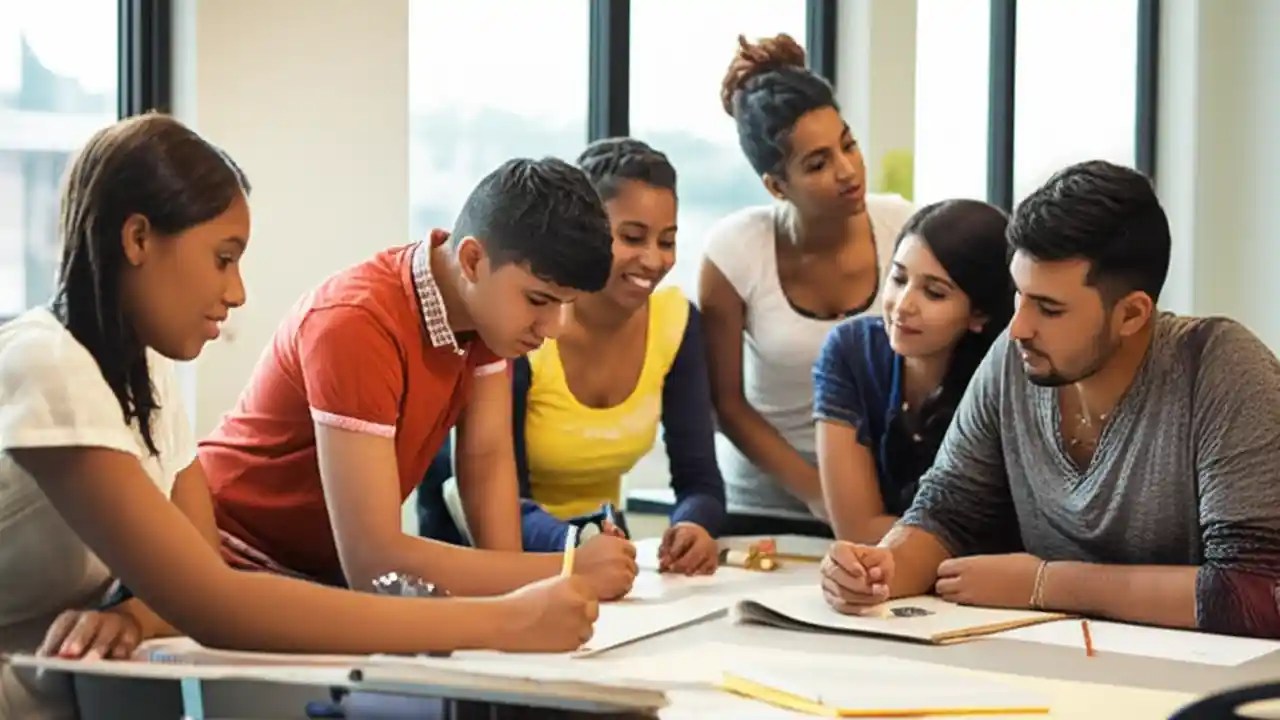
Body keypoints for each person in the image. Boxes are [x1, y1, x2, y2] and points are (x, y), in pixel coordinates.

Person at [0, 114, 598, 719]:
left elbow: (197, 574)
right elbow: (217, 599)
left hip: (69, 670)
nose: (237, 293)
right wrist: (507, 617)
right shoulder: (47, 365)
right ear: (138, 240)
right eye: (223, 259)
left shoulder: (143, 370)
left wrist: (138, 609)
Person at [819, 160, 1280, 638]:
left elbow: (1255, 592)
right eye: (1019, 295)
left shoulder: (1221, 368)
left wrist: (1046, 582)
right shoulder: (1015, 358)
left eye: (1049, 308)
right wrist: (880, 570)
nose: (1018, 327)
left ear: (1131, 314)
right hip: (1055, 663)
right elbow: (946, 513)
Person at [197, 157, 638, 599]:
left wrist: (528, 604)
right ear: (471, 260)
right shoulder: (356, 323)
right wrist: (566, 571)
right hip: (227, 551)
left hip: (318, 576)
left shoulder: (489, 320)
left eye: (567, 305)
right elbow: (376, 564)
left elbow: (485, 462)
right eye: (540, 300)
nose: (555, 326)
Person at [699, 33, 914, 535]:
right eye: (817, 163)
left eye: (848, 145)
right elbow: (725, 403)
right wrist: (819, 492)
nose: (847, 171)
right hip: (764, 506)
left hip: (879, 494)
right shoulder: (733, 252)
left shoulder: (904, 227)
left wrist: (857, 497)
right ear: (777, 186)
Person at [512, 138, 725, 575]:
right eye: (632, 237)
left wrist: (693, 525)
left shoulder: (676, 322)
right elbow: (491, 500)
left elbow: (699, 478)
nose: (654, 259)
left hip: (605, 549)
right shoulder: (525, 328)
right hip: (514, 557)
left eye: (667, 240)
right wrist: (580, 541)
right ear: (584, 232)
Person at [813, 200, 1014, 544]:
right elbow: (856, 530)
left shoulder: (1005, 378)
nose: (903, 305)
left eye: (934, 293)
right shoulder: (852, 351)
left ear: (979, 315)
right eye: (899, 277)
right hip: (886, 574)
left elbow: (1000, 538)